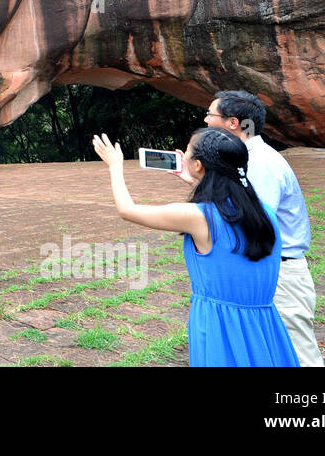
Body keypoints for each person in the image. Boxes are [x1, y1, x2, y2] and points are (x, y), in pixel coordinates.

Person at [92, 127, 298, 366]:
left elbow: (127, 210)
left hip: (219, 327)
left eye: (187, 152)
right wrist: (198, 180)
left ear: (199, 164)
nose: (183, 156)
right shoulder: (265, 212)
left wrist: (114, 166)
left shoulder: (199, 217)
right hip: (265, 327)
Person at [202, 90, 324, 367]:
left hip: (279, 272)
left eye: (211, 115)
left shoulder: (261, 164)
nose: (207, 121)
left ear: (233, 123)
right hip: (267, 266)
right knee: (267, 348)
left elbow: (252, 222)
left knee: (297, 352)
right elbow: (239, 209)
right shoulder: (247, 158)